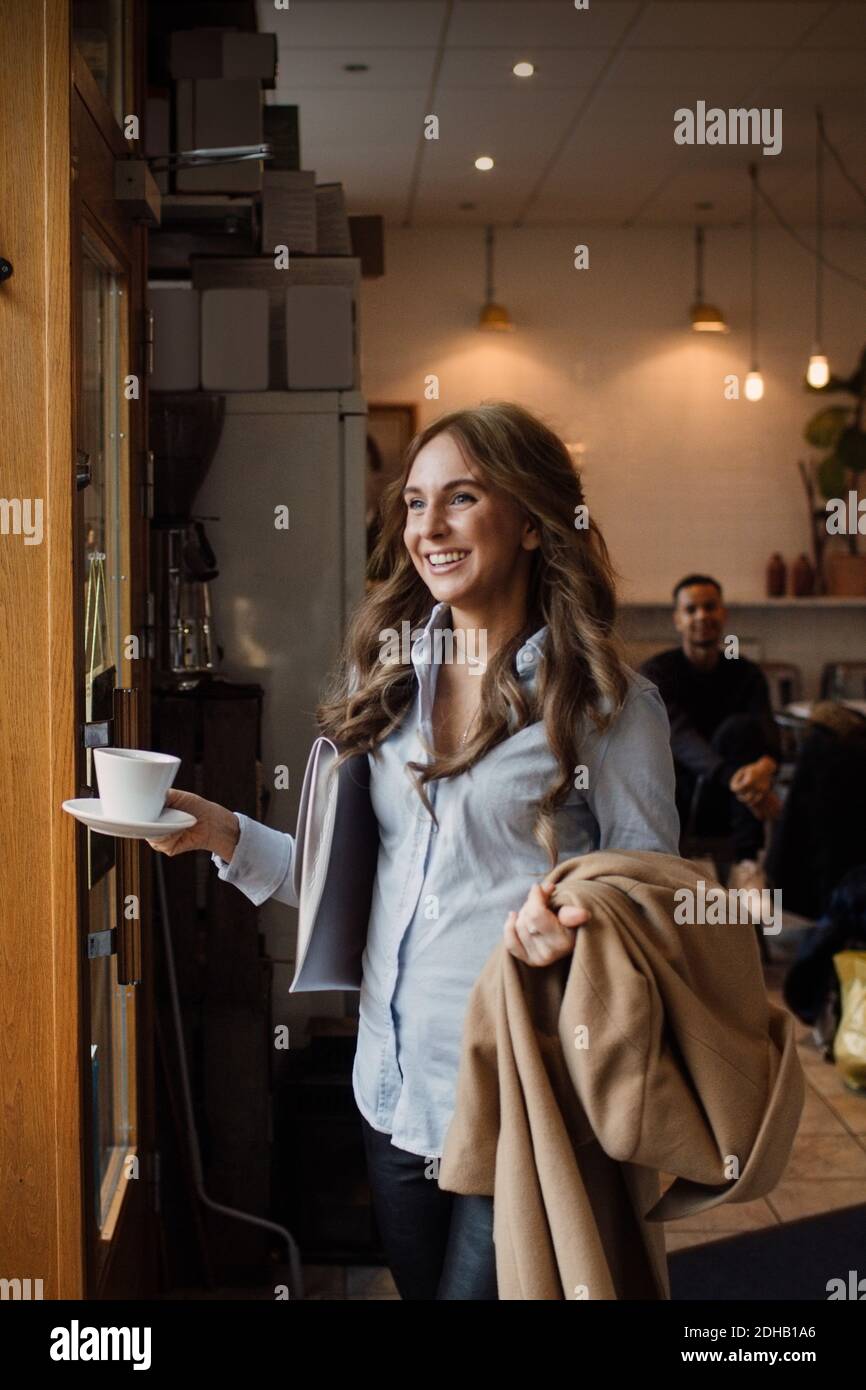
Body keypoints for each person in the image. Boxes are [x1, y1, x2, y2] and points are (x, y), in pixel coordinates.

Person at [147, 401, 681, 1300]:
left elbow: (652, 902)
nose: (427, 528)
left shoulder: (608, 705)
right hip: (391, 1090)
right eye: (415, 503)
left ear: (533, 523)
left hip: (523, 1095)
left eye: (462, 498)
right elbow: (353, 883)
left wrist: (583, 926)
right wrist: (221, 832)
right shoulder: (385, 681)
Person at [639, 575, 782, 893]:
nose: (702, 616)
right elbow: (679, 737)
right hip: (680, 792)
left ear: (723, 613)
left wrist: (766, 767)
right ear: (677, 619)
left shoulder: (745, 672)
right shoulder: (657, 673)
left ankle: (746, 866)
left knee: (740, 730)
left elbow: (767, 728)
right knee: (667, 754)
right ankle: (686, 873)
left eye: (709, 607)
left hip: (734, 796)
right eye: (691, 609)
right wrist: (736, 779)